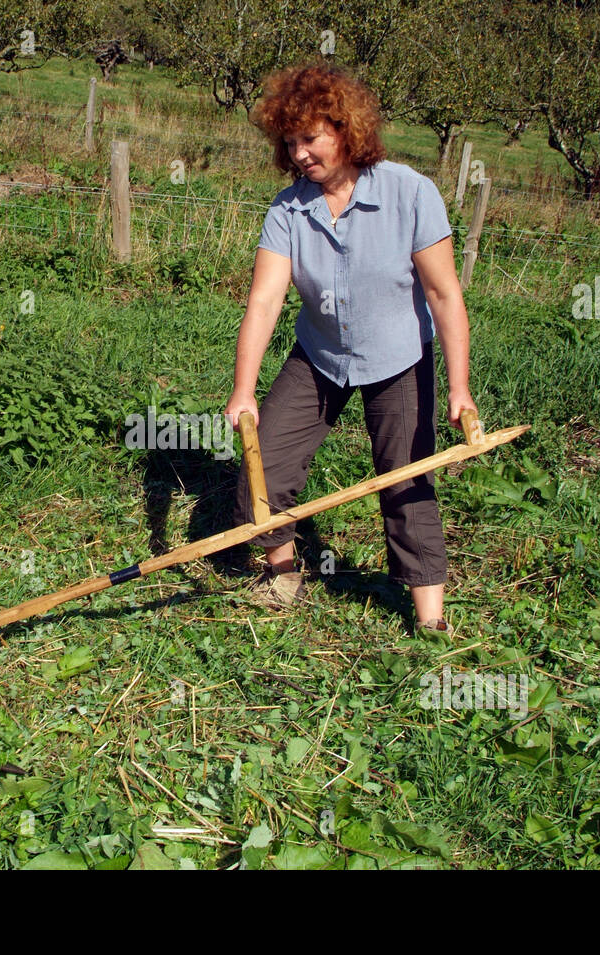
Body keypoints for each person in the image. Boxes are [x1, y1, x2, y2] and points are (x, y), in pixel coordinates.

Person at [223, 62, 477, 638]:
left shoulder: (409, 192)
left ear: (346, 129)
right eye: (290, 142)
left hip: (399, 358)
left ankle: (430, 618)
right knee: (267, 462)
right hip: (321, 354)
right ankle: (283, 574)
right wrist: (243, 391)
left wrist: (459, 387)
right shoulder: (288, 211)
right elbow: (264, 304)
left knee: (405, 479)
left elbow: (443, 293)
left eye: (310, 138)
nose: (300, 153)